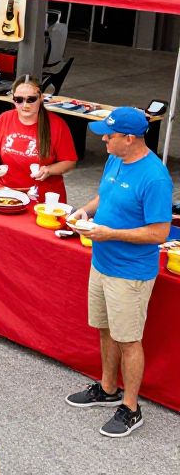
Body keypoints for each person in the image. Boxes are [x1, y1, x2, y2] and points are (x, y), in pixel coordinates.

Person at [65, 107, 172, 438]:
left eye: (108, 136)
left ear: (130, 139)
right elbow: (104, 195)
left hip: (130, 273)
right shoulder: (115, 158)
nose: (103, 140)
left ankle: (131, 407)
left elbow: (159, 233)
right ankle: (108, 388)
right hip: (102, 261)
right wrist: (84, 210)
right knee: (105, 329)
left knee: (128, 339)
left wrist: (109, 233)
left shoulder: (155, 177)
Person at [0, 74, 77, 200]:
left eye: (31, 99)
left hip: (42, 197)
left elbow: (69, 162)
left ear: (41, 98)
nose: (25, 105)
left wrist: (49, 170)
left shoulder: (57, 125)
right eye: (19, 100)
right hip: (6, 193)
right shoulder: (4, 118)